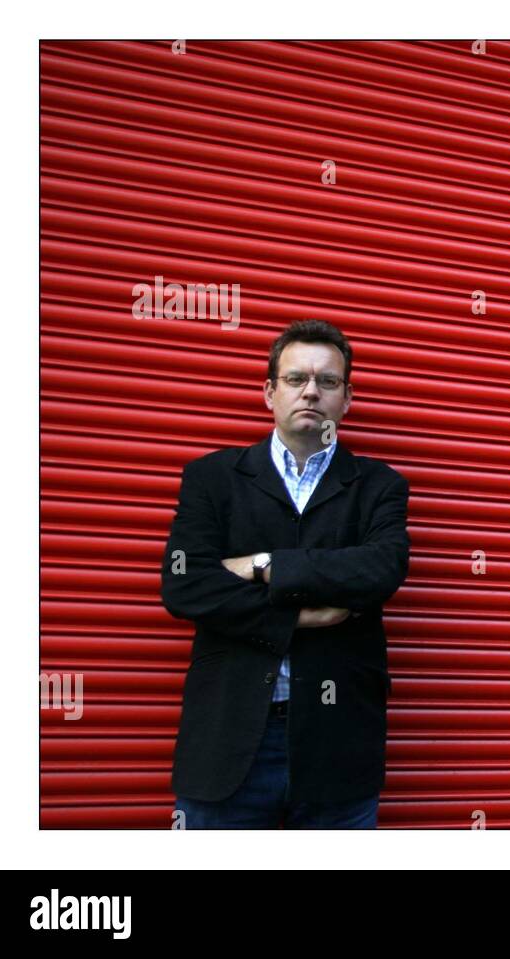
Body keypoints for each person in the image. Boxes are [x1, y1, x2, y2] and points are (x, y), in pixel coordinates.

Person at [160, 319, 410, 828]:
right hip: (228, 746)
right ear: (269, 392)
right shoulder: (211, 478)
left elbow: (381, 568)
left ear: (347, 399)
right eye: (296, 379)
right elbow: (186, 585)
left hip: (337, 750)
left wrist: (263, 565)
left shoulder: (379, 486)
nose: (312, 391)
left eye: (328, 381)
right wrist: (303, 615)